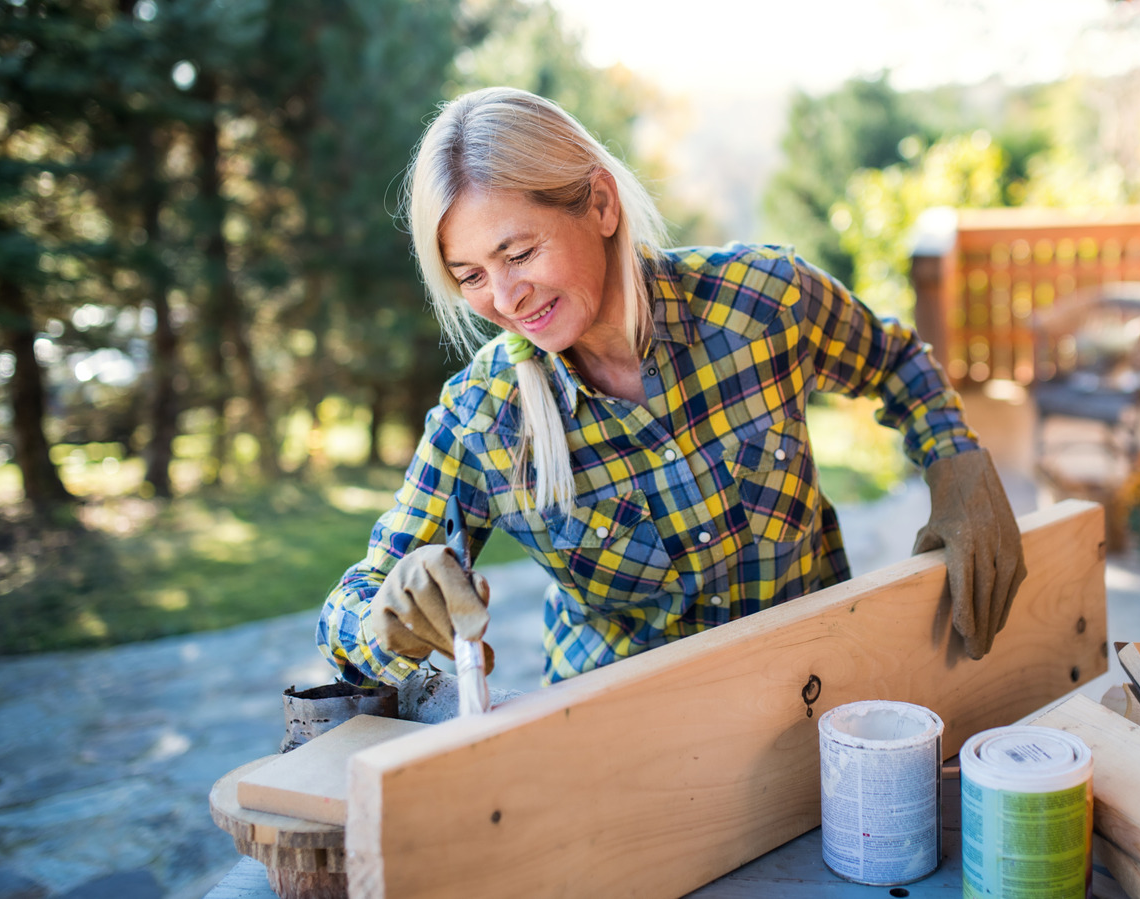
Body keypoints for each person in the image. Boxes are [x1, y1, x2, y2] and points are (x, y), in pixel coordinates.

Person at [317, 87, 1026, 688]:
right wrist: (387, 620)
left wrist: (955, 461)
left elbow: (894, 361)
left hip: (817, 694)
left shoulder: (762, 302)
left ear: (599, 204)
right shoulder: (482, 423)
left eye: (519, 251)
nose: (504, 297)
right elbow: (346, 609)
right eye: (469, 275)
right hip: (629, 761)